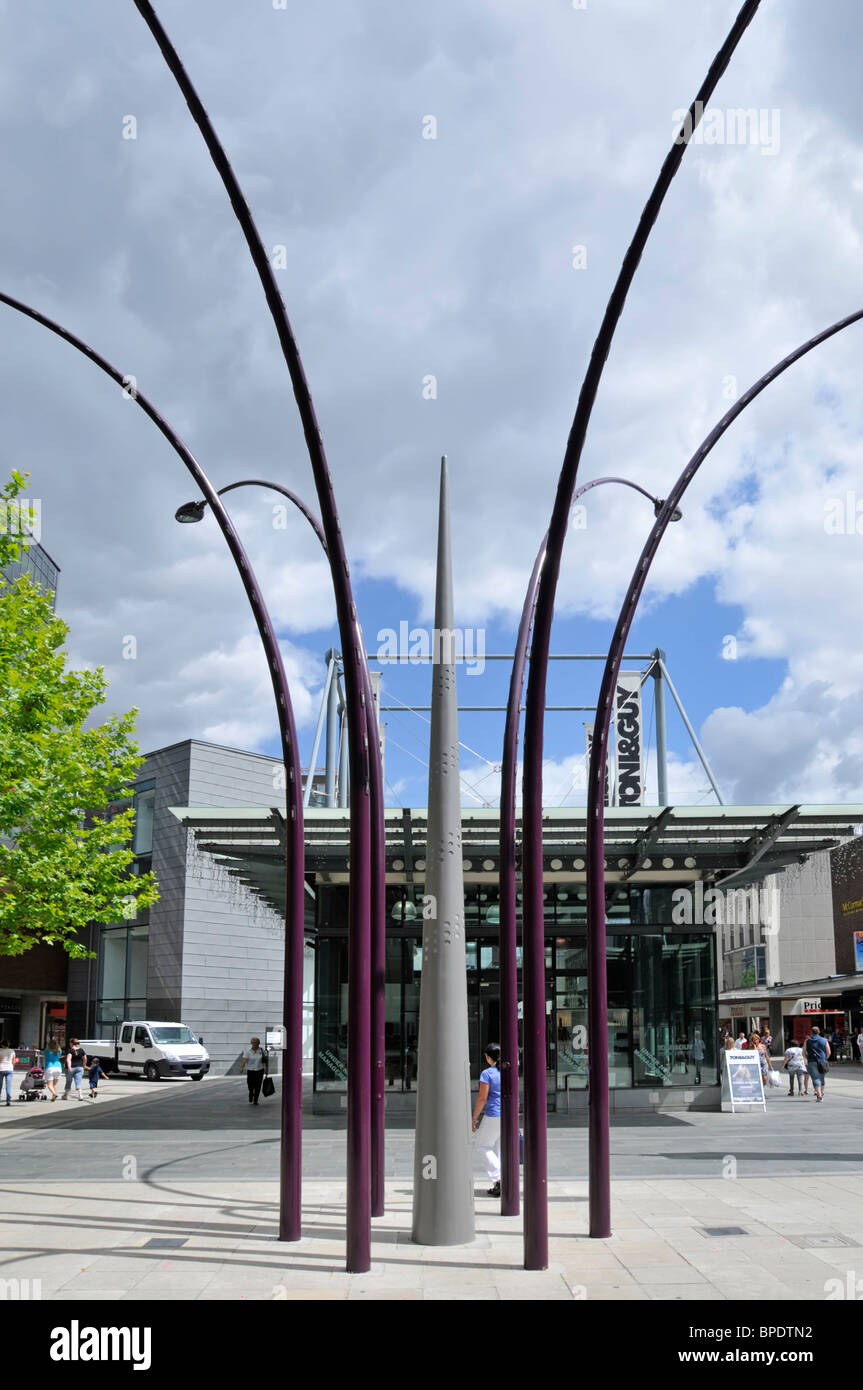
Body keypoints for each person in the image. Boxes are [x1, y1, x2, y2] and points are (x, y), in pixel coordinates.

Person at [472, 1043, 502, 1197]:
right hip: (508, 1114)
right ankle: (501, 1183)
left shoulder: (487, 1073)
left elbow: (482, 1098)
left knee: (482, 1146)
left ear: (488, 1057)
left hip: (493, 1114)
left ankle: (499, 1179)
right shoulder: (508, 1071)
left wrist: (474, 1117)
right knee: (498, 1148)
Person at [803, 1024, 831, 1102]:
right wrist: (825, 1059)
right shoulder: (824, 1040)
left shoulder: (807, 1041)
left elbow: (803, 1053)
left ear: (811, 1032)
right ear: (818, 1032)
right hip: (822, 1061)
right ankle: (821, 1093)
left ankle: (819, 1096)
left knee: (815, 1078)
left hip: (812, 1061)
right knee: (822, 1078)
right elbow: (828, 1052)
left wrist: (806, 1060)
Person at [240, 1036, 267, 1105]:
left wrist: (265, 1068)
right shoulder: (248, 1051)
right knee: (250, 1085)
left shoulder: (262, 1050)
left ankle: (255, 1100)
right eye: (253, 1043)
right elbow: (245, 1060)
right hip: (251, 1070)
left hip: (259, 1070)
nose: (254, 1044)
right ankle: (251, 1093)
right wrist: (241, 1067)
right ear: (251, 1043)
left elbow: (264, 1060)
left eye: (256, 1043)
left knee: (258, 1086)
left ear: (258, 1043)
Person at [0, 1039, 15, 1107]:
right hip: (9, 1069)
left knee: (0, 1085)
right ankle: (8, 1100)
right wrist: (12, 1068)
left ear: (2, 1045)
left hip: (1, 1069)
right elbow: (13, 1062)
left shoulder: (0, 1051)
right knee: (8, 1085)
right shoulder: (12, 1051)